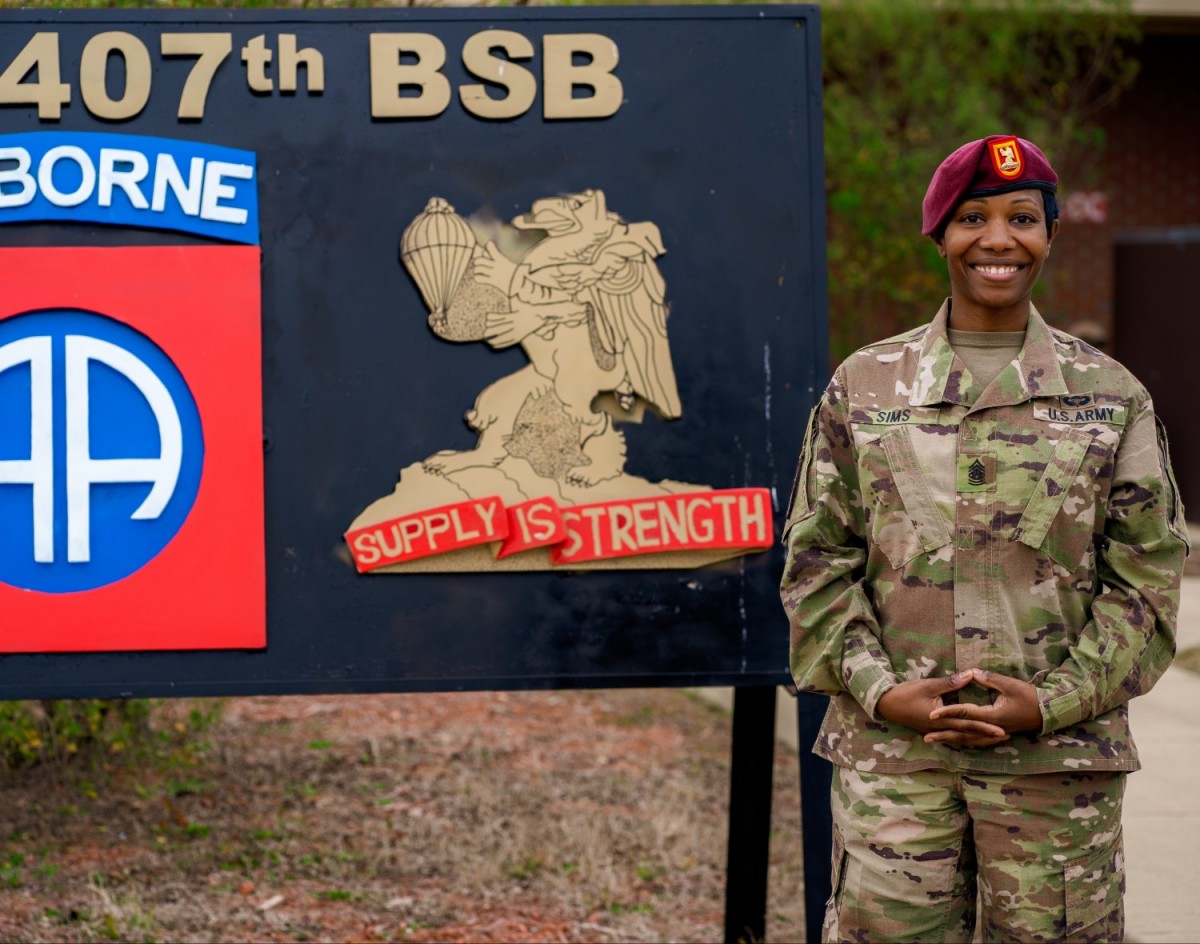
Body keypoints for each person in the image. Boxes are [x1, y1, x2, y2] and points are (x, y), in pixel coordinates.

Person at [780, 134, 1188, 943]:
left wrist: (1054, 702)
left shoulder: (1111, 398)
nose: (998, 239)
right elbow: (817, 563)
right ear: (940, 233)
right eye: (973, 217)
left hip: (1056, 776)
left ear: (1050, 235)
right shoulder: (865, 388)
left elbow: (1146, 584)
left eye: (1022, 218)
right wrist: (877, 688)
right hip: (897, 768)